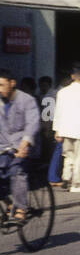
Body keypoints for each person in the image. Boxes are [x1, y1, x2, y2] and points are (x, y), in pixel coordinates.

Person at [0, 69, 40, 220]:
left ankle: (21, 208)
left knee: (17, 171)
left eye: (2, 85)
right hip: (3, 148)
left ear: (12, 83)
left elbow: (32, 123)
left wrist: (25, 143)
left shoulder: (26, 100)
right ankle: (8, 202)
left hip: (23, 147)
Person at [52, 65, 80, 193]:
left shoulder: (62, 92)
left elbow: (58, 111)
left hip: (66, 129)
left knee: (68, 155)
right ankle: (77, 183)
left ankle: (66, 176)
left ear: (72, 76)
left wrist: (57, 130)